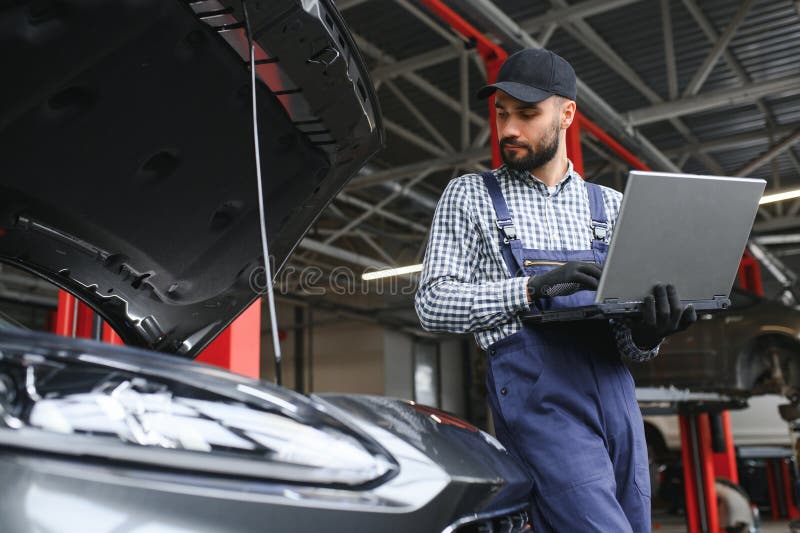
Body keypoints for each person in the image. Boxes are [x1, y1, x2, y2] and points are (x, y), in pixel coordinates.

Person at [414, 47, 697, 532]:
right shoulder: (471, 195)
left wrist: (651, 332)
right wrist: (527, 289)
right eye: (502, 114)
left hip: (617, 396)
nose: (508, 130)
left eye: (526, 114)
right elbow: (432, 305)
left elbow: (630, 342)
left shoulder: (610, 206)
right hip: (539, 400)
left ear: (566, 114)